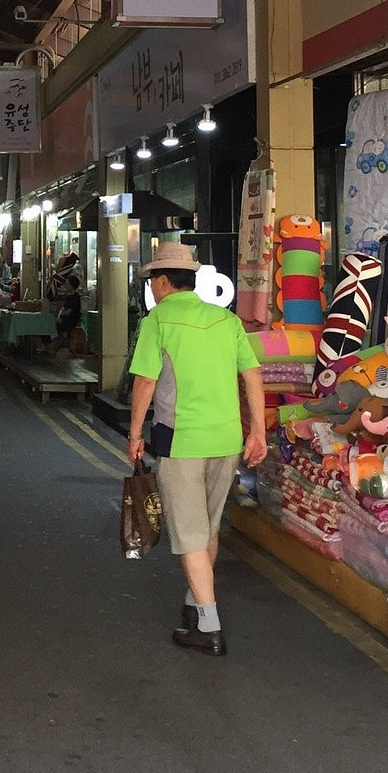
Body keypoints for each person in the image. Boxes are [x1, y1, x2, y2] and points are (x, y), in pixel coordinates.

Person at [127, 245, 266, 658]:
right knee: (206, 527)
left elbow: (145, 384)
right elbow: (253, 374)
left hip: (181, 439)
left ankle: (209, 626)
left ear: (165, 282)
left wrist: (134, 433)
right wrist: (257, 431)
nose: (151, 288)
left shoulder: (159, 320)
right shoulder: (226, 320)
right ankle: (193, 602)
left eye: (153, 280)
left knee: (189, 533)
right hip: (226, 439)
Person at [54, 274, 82, 352]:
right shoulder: (69, 296)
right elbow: (63, 308)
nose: (65, 285)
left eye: (67, 283)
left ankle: (57, 344)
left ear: (72, 285)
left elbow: (67, 312)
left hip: (71, 320)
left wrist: (59, 316)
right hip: (65, 318)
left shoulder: (75, 297)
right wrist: (59, 316)